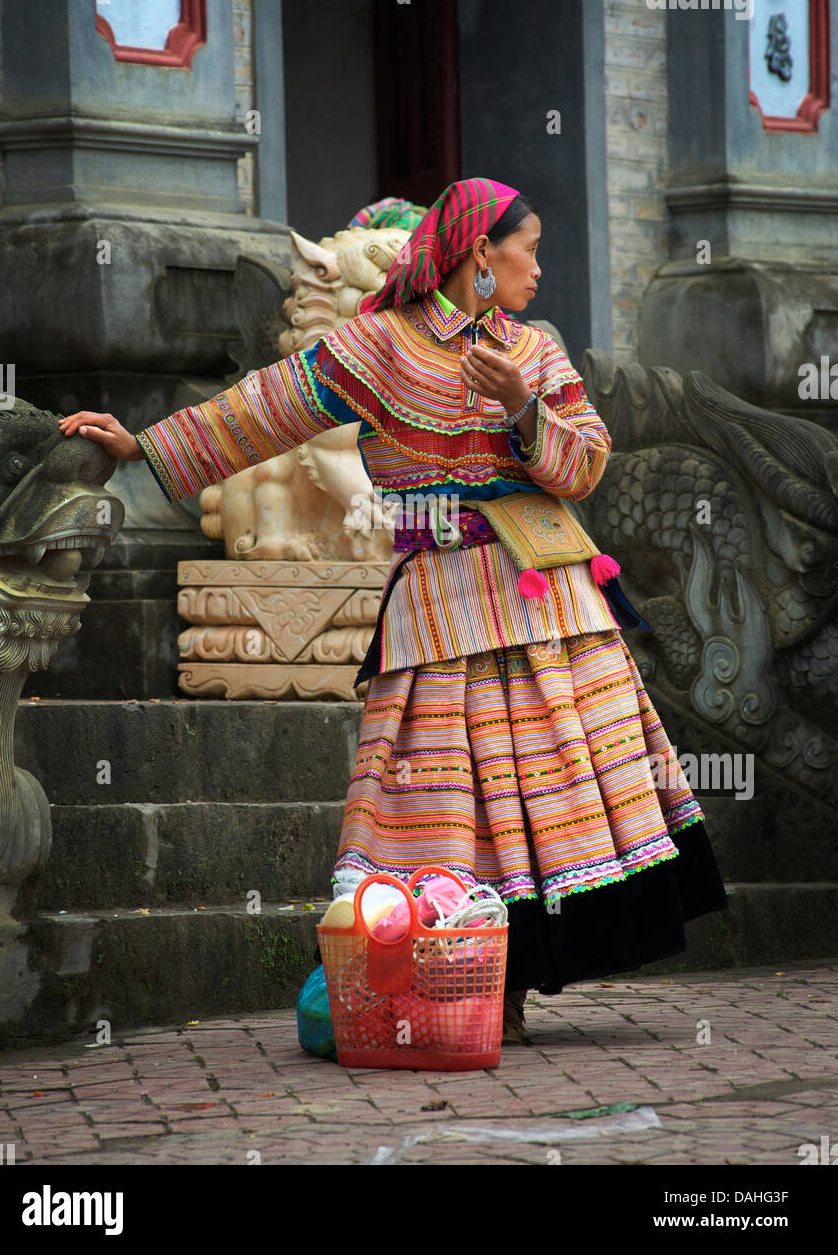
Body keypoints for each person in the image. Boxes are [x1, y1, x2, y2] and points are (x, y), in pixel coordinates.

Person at [58, 177, 728, 1044]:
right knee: (454, 805)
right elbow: (266, 408)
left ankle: (522, 973)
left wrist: (523, 406)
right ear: (480, 253)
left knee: (555, 788)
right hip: (441, 601)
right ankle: (478, 981)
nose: (538, 267)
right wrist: (144, 445)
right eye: (529, 248)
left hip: (550, 602)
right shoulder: (378, 347)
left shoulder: (536, 352)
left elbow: (586, 468)